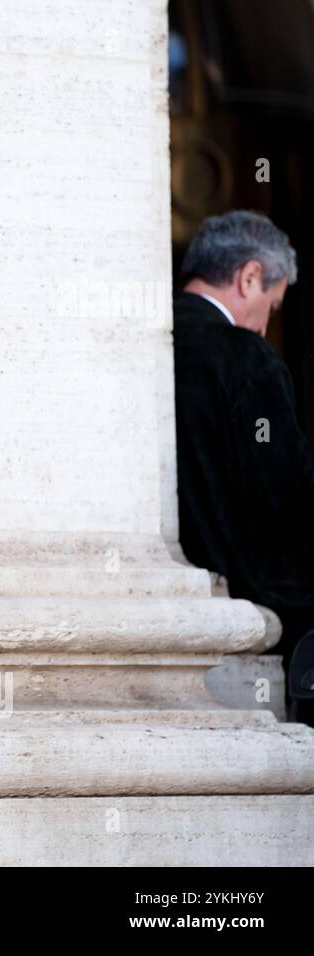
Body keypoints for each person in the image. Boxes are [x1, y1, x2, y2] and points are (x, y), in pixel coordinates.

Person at [172, 209, 314, 726]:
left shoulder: (143, 342)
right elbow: (284, 493)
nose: (266, 324)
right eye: (271, 307)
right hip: (253, 599)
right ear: (249, 277)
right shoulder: (244, 357)